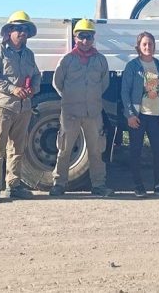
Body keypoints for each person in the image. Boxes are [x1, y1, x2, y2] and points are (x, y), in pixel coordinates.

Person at [49, 19, 114, 197]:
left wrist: (90, 99)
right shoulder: (67, 60)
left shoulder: (101, 60)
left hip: (93, 113)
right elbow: (57, 83)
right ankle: (59, 184)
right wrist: (71, 98)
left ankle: (98, 185)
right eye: (82, 36)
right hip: (70, 113)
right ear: (75, 37)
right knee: (64, 150)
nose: (85, 41)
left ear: (94, 38)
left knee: (96, 150)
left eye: (89, 37)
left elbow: (104, 83)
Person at [0, 11, 42, 203]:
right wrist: (12, 89)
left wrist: (33, 87)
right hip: (2, 107)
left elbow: (36, 75)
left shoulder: (29, 54)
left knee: (17, 149)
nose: (22, 32)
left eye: (25, 29)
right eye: (18, 29)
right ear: (9, 31)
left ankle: (13, 185)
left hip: (23, 107)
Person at [121, 31, 159, 198]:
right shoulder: (132, 67)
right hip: (138, 116)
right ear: (139, 47)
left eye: (150, 44)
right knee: (135, 151)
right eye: (144, 44)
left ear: (154, 46)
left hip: (156, 116)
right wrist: (130, 114)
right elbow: (125, 92)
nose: (147, 47)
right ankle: (138, 185)